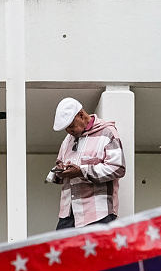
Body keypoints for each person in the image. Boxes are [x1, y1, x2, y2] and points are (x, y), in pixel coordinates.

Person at [46, 97, 127, 227]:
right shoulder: (68, 139)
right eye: (66, 129)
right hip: (68, 214)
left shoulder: (107, 132)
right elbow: (59, 164)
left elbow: (118, 168)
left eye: (71, 126)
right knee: (60, 242)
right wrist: (59, 171)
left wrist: (81, 171)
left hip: (98, 214)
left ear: (81, 115)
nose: (69, 131)